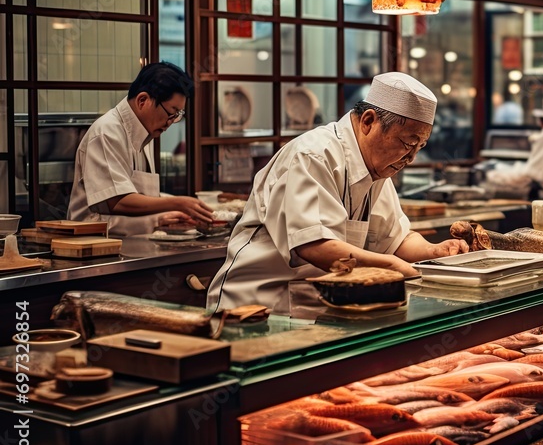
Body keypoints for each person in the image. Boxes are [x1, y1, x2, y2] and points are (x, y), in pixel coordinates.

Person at [206, 72, 469, 313]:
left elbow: (396, 239)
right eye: (407, 143)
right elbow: (315, 246)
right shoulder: (312, 155)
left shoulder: (377, 168)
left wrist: (435, 251)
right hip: (258, 306)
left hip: (318, 307)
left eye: (420, 146)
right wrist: (391, 267)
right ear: (369, 122)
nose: (411, 158)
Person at [67, 62, 214, 236]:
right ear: (142, 100)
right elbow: (117, 201)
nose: (171, 122)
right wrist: (177, 203)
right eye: (171, 112)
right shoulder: (107, 132)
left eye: (177, 115)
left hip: (130, 245)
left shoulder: (146, 132)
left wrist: (184, 205)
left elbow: (139, 194)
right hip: (91, 244)